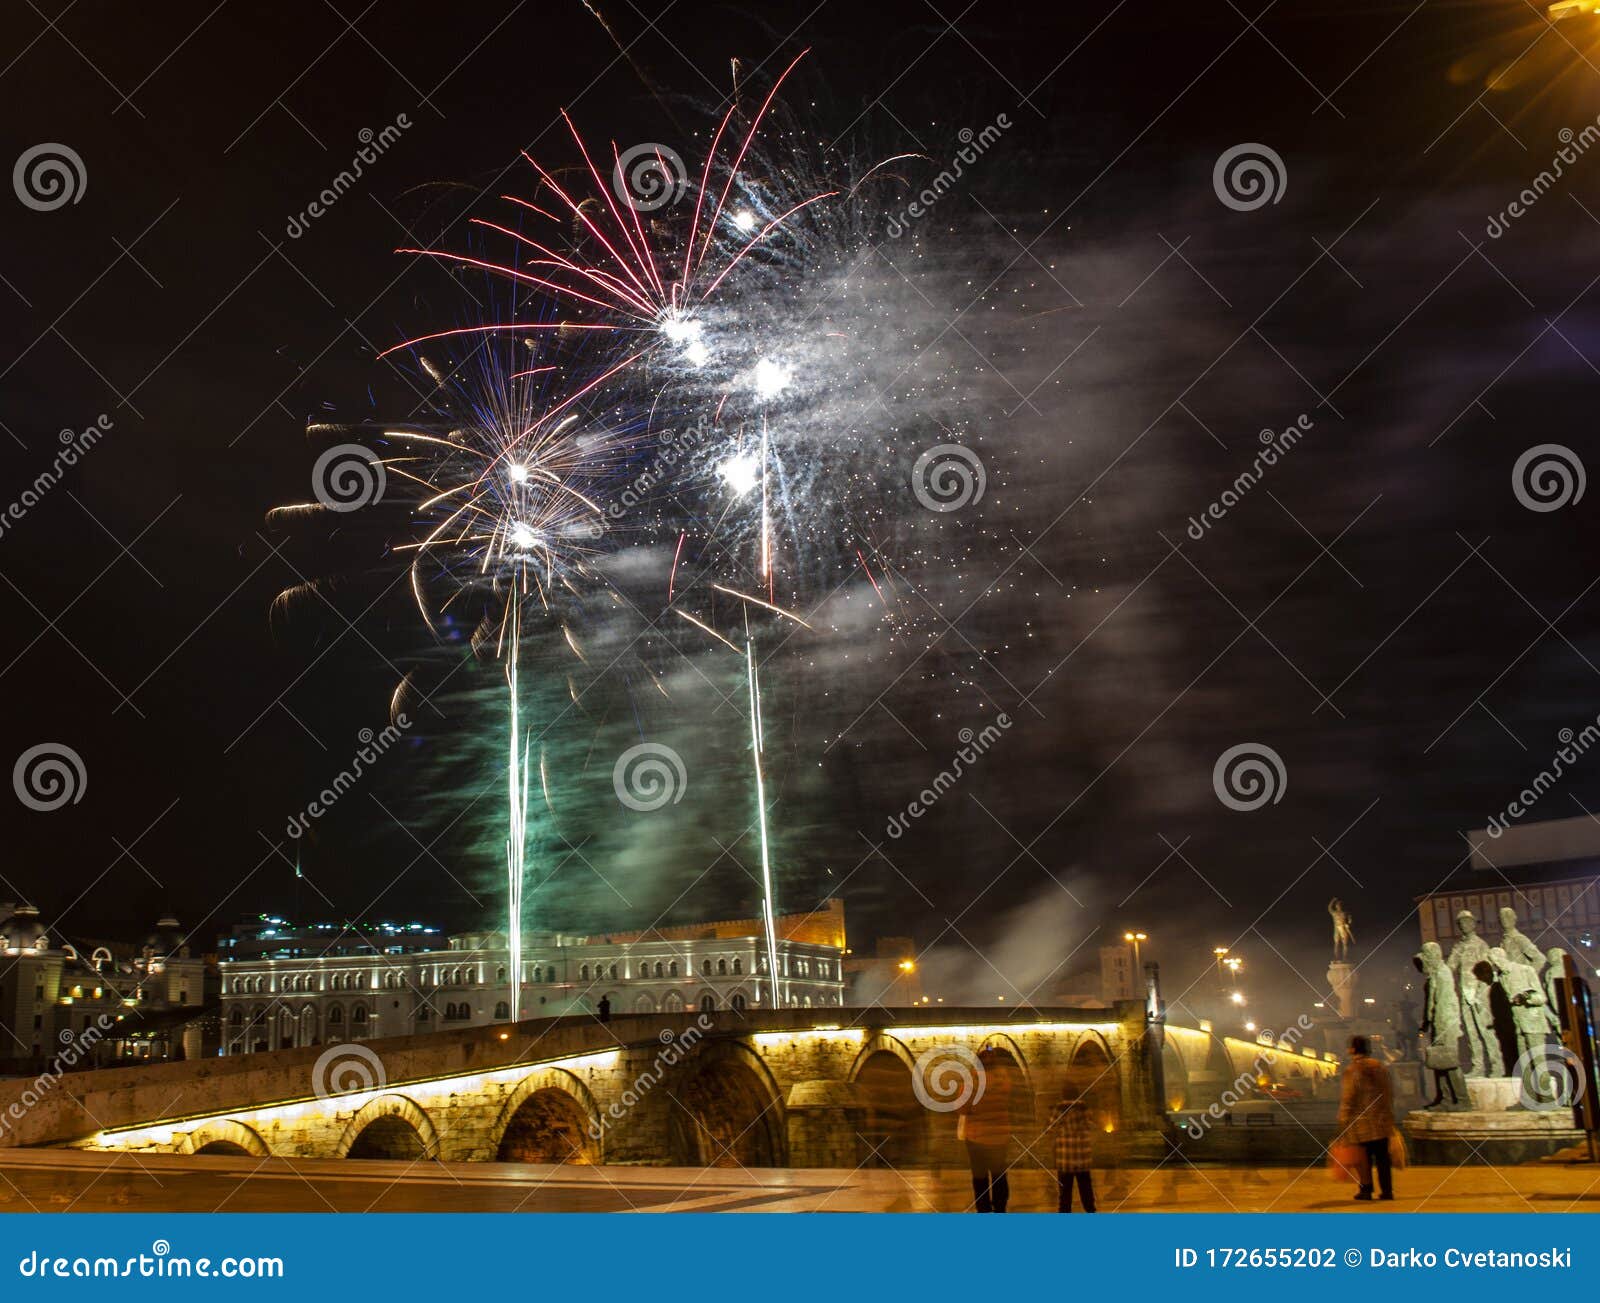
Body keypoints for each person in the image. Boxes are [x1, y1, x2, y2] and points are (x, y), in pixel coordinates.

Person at [1337, 1034, 1396, 1202]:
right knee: (1383, 1158)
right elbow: (1388, 1092)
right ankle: (1387, 1191)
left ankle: (1366, 1190)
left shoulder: (1352, 1070)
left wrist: (1343, 1118)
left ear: (1352, 1049)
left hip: (1361, 1123)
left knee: (1363, 1159)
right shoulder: (1380, 1067)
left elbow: (1349, 1097)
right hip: (1382, 1120)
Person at [958, 1047, 1013, 1212]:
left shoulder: (972, 1080)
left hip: (977, 1138)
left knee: (980, 1177)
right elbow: (1008, 1100)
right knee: (999, 1175)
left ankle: (984, 1210)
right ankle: (1000, 1208)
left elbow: (962, 1108)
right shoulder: (1004, 1078)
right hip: (1000, 1136)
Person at [1051, 1093, 1096, 1213]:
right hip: (1082, 1159)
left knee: (1065, 1194)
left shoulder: (1059, 1108)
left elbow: (1051, 1127)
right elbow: (1091, 1125)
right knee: (1086, 1190)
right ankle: (1090, 1211)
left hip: (1065, 1159)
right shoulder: (1084, 1107)